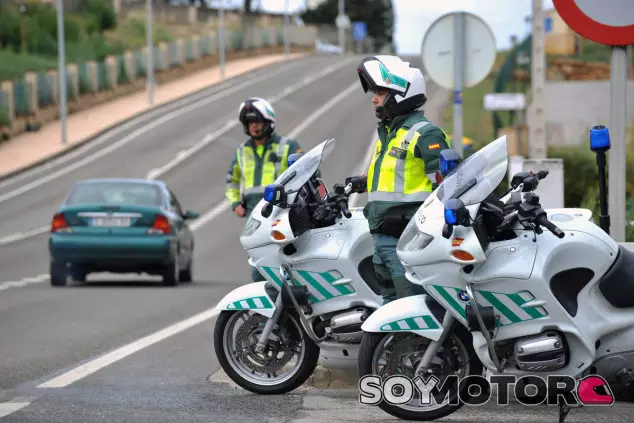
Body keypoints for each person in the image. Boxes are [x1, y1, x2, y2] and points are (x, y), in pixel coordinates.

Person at [356, 55, 452, 304]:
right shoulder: (389, 134)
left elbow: (448, 188)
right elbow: (394, 179)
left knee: (412, 312)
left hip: (406, 240)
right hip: (381, 239)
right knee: (390, 312)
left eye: (380, 92)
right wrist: (361, 182)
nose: (374, 99)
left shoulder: (425, 134)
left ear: (401, 93)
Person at [225, 97, 303, 282]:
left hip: (282, 209)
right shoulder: (242, 151)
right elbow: (232, 180)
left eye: (258, 122)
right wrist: (235, 203)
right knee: (259, 263)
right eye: (250, 123)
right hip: (254, 212)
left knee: (289, 257)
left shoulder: (288, 146)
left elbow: (305, 172)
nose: (254, 126)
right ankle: (267, 308)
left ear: (268, 122)